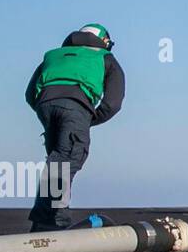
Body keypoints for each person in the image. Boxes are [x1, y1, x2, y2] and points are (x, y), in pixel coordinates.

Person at [24, 24, 125, 231]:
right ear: (105, 41)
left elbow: (29, 93)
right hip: (76, 106)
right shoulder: (105, 57)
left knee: (57, 160)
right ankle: (52, 224)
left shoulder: (53, 55)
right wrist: (88, 118)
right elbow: (113, 102)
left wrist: (46, 109)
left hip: (44, 105)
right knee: (66, 160)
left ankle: (45, 222)